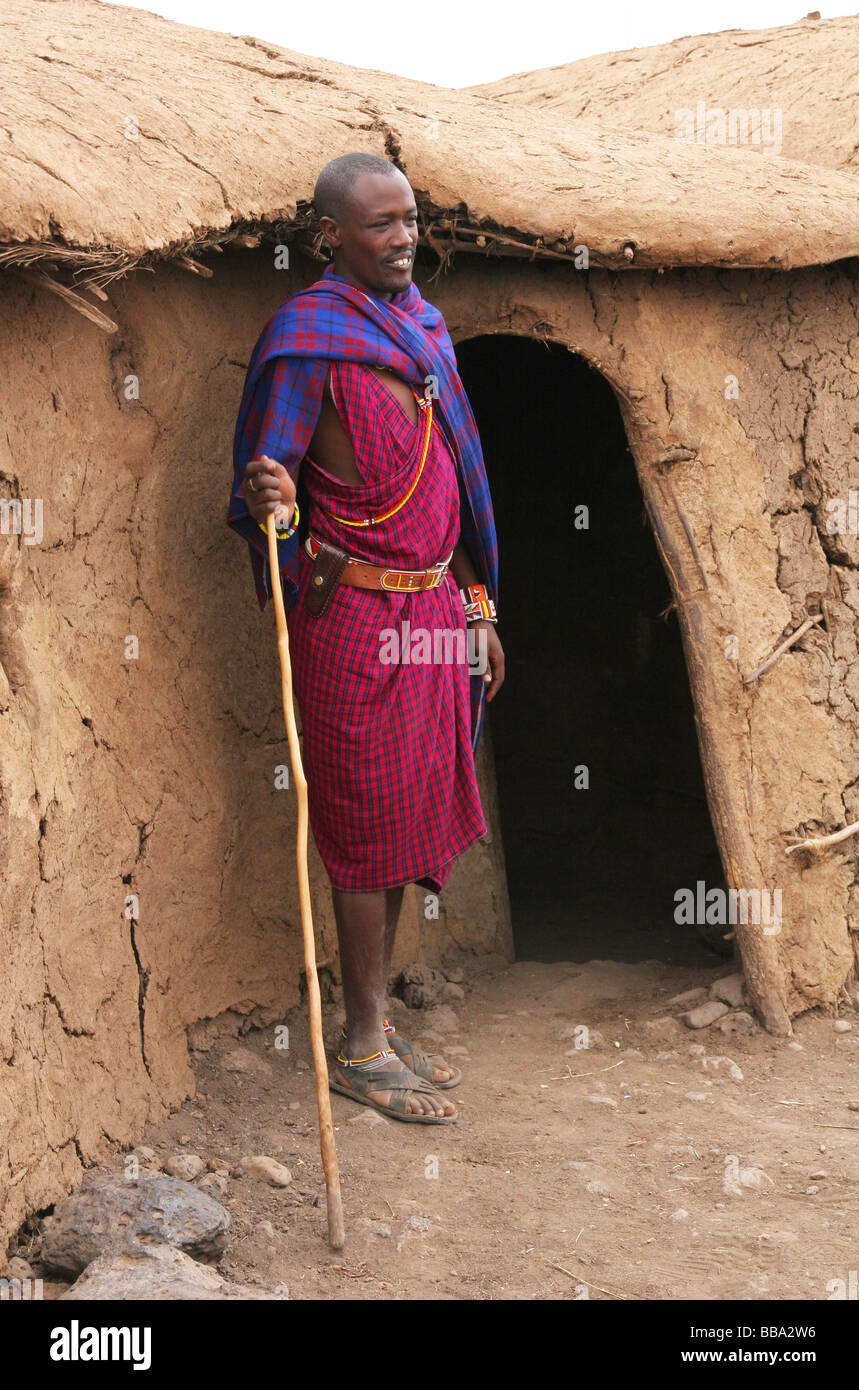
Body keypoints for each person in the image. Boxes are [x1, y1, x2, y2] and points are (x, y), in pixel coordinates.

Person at [228, 152, 503, 1123]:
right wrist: (279, 501)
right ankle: (356, 1047)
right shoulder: (306, 342)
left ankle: (376, 1027)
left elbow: (454, 495)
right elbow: (270, 504)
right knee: (362, 834)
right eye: (379, 224)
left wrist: (476, 600)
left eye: (409, 218)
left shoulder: (424, 333)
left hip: (432, 609)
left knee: (400, 826)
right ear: (328, 238)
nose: (402, 238)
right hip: (349, 620)